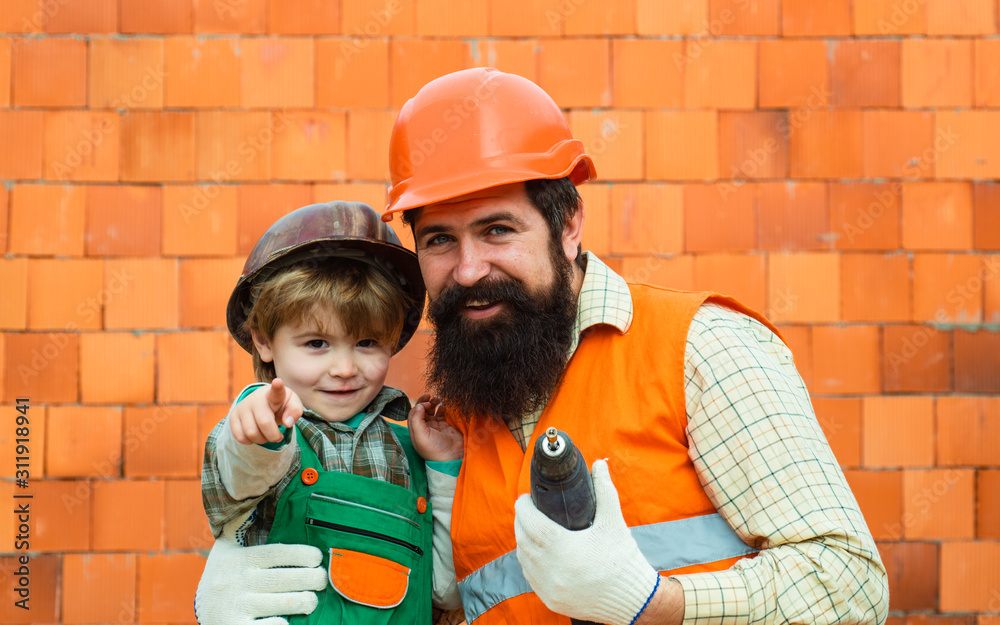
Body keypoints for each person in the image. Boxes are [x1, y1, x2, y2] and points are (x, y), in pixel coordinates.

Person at [196, 69, 889, 625]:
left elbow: (851, 586)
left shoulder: (699, 348)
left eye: (497, 230)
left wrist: (655, 603)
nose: (469, 269)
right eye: (439, 239)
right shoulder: (448, 425)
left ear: (568, 225)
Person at [197, 201, 463, 625]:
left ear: (392, 339)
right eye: (316, 343)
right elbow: (240, 474)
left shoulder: (411, 453)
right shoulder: (273, 435)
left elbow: (445, 591)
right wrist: (255, 423)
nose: (344, 368)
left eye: (366, 343)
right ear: (264, 341)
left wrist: (444, 469)